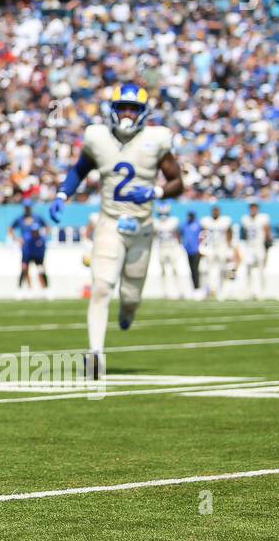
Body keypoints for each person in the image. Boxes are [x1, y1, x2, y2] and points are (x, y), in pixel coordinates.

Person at [49, 84, 184, 377]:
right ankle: (95, 354)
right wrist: (62, 194)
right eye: (122, 107)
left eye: (132, 109)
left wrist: (155, 193)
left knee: (131, 296)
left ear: (142, 113)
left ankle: (127, 312)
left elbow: (178, 182)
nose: (126, 113)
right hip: (110, 221)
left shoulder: (156, 139)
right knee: (101, 286)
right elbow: (80, 170)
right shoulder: (98, 137)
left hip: (142, 226)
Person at [11, 202, 49, 295]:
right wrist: (17, 239)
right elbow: (11, 228)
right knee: (25, 268)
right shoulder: (20, 219)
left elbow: (47, 226)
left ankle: (45, 288)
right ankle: (28, 288)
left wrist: (44, 236)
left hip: (36, 247)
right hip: (27, 247)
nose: (27, 209)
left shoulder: (37, 218)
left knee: (40, 268)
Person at [239, 202, 272, 300]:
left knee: (261, 269)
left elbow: (267, 231)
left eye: (255, 208)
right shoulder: (245, 219)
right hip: (250, 247)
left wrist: (268, 244)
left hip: (259, 246)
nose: (253, 210)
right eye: (252, 208)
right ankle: (249, 290)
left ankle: (262, 290)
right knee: (248, 269)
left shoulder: (263, 218)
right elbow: (244, 234)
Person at [153, 201, 186, 298]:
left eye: (165, 213)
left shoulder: (173, 221)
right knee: (163, 270)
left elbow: (178, 234)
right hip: (162, 248)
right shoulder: (156, 222)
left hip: (172, 247)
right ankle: (165, 292)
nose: (163, 215)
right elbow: (154, 236)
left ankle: (180, 291)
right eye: (161, 213)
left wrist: (179, 246)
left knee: (175, 269)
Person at [182, 211, 202, 294]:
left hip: (197, 250)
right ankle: (195, 287)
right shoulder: (184, 225)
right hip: (188, 250)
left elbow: (204, 235)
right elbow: (180, 234)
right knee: (192, 269)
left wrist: (203, 247)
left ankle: (198, 287)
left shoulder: (198, 225)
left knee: (196, 269)